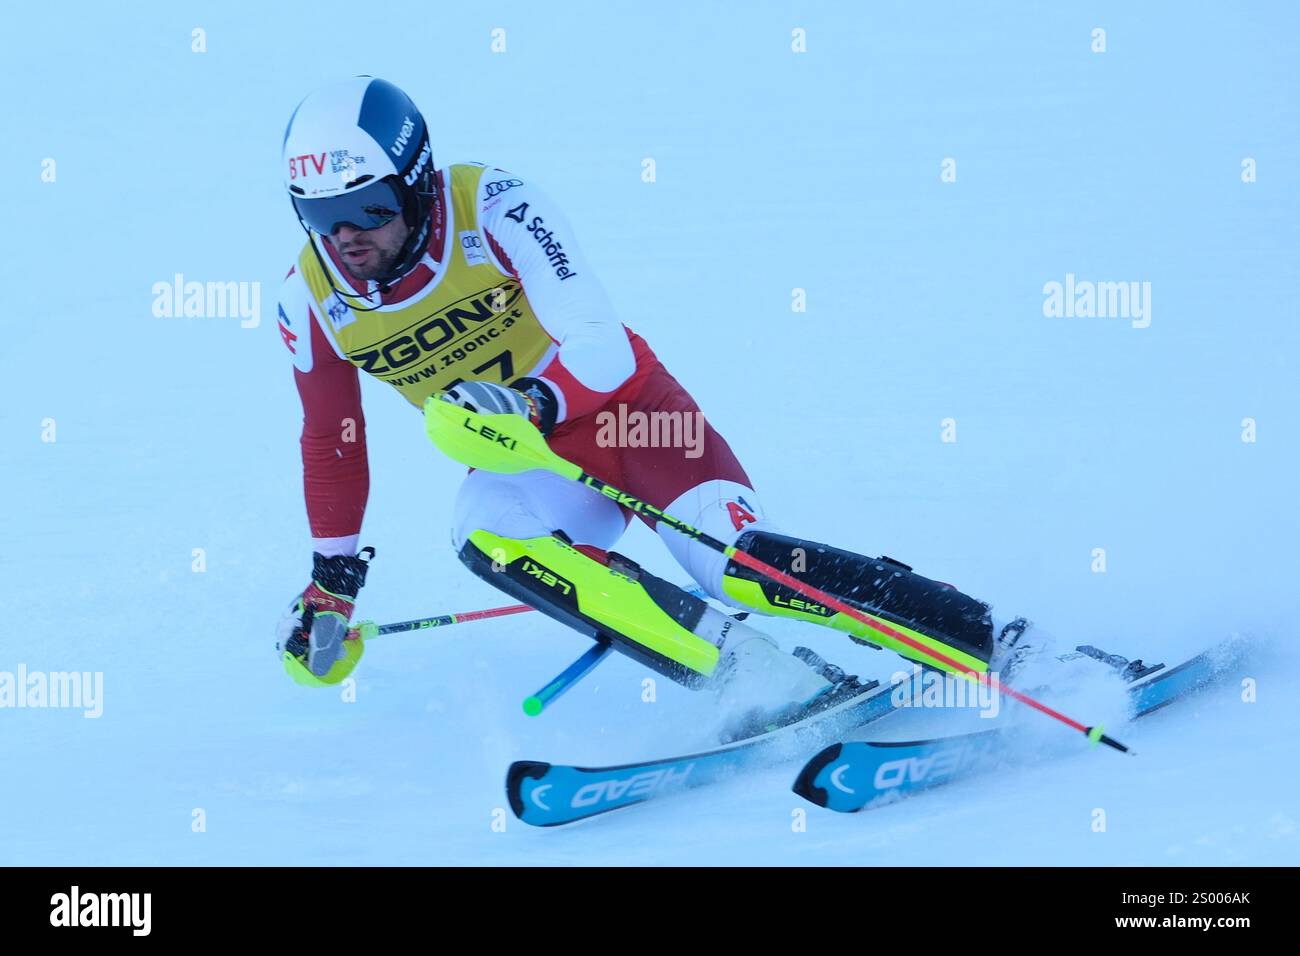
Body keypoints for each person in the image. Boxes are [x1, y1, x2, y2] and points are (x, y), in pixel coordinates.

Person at [273, 76, 1014, 736]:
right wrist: (332, 583)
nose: (346, 237)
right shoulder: (307, 296)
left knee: (736, 566)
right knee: (484, 533)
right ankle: (749, 671)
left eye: (367, 207)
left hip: (631, 418)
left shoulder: (492, 203)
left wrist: (532, 401)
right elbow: (332, 437)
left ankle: (985, 635)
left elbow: (602, 344)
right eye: (320, 214)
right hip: (531, 463)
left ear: (417, 183)